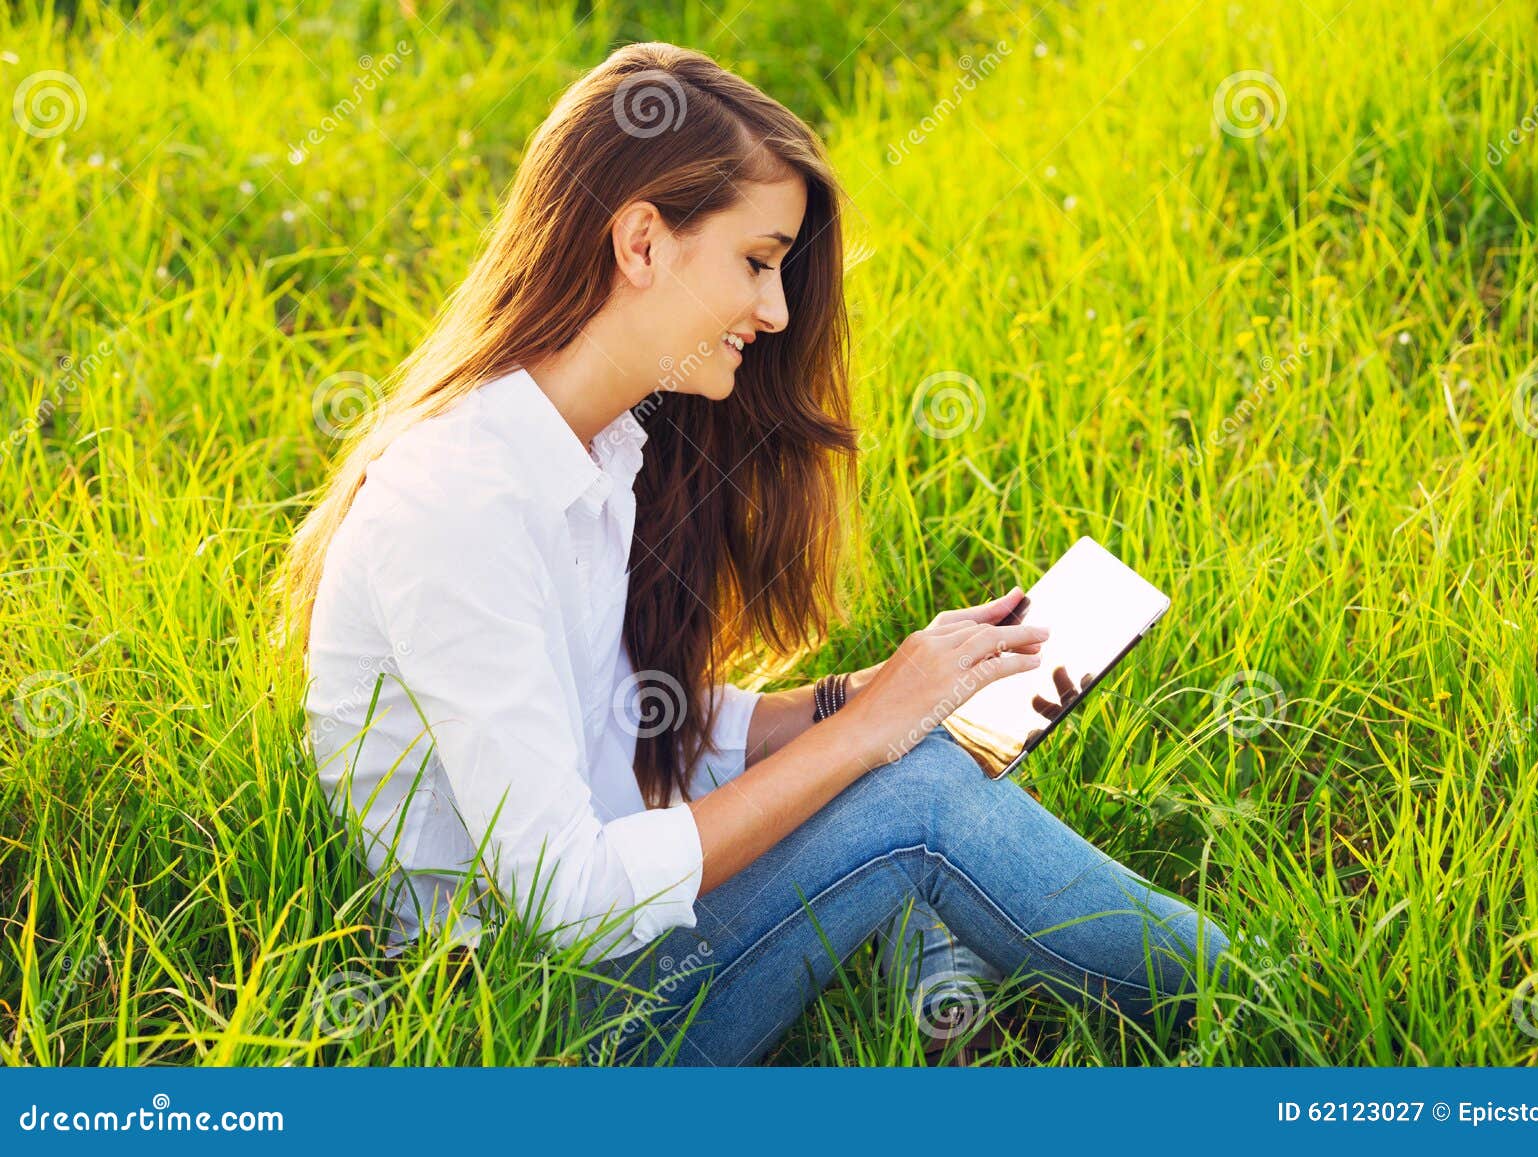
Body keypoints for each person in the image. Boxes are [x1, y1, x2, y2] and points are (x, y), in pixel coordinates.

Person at [278, 40, 1231, 1067]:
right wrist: (862, 733)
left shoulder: (590, 453)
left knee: (914, 749)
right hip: (522, 1030)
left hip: (589, 967)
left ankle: (947, 1026)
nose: (775, 312)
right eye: (756, 261)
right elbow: (571, 896)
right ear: (641, 242)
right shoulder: (460, 504)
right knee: (914, 793)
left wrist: (871, 691)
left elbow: (630, 731)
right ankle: (1256, 992)